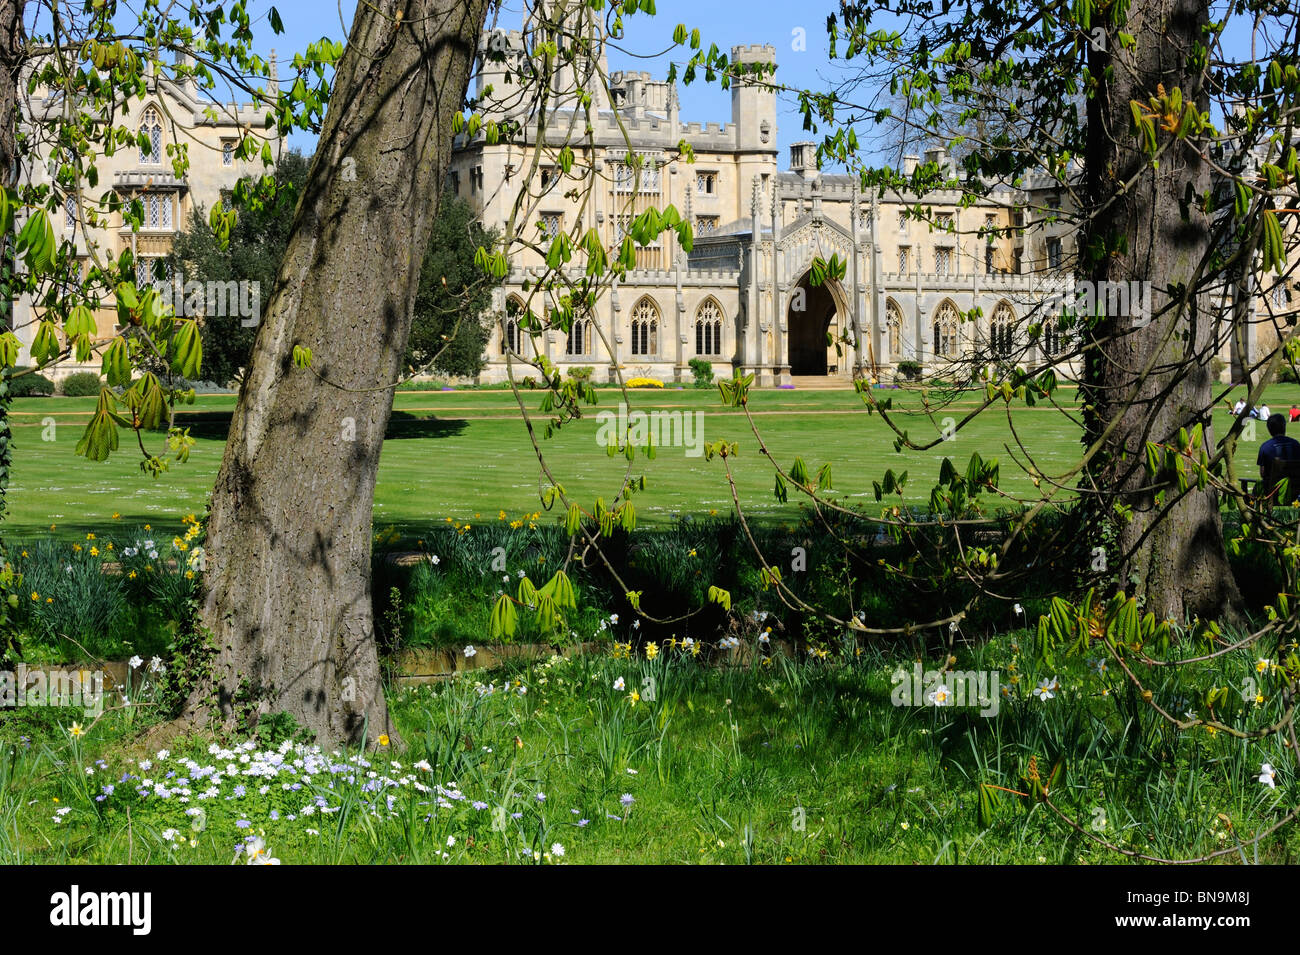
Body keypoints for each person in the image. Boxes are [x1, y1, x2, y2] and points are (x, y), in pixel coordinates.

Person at [1258, 414, 1300, 481]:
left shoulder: (1265, 447)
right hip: (1295, 489)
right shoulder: (1296, 444)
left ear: (1269, 429)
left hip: (1273, 489)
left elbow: (1262, 473)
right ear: (1284, 427)